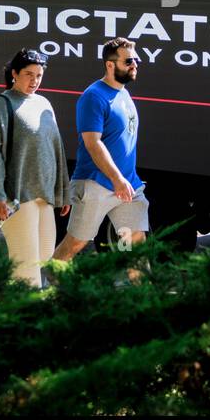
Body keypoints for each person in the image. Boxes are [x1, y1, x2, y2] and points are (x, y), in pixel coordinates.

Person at [0, 49, 72, 287]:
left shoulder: (44, 103)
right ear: (14, 74)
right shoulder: (1, 106)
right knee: (25, 265)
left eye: (39, 75)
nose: (35, 80)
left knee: (43, 255)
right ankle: (27, 314)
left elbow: (57, 150)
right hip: (16, 197)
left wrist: (63, 192)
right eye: (29, 74)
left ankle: (14, 303)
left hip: (44, 196)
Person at [53, 38, 147, 262]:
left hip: (128, 186)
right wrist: (116, 179)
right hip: (96, 184)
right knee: (76, 243)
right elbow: (93, 143)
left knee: (136, 245)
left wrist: (124, 181)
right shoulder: (93, 96)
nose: (135, 65)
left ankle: (141, 295)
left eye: (137, 60)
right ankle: (47, 286)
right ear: (110, 65)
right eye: (129, 61)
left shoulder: (123, 93)